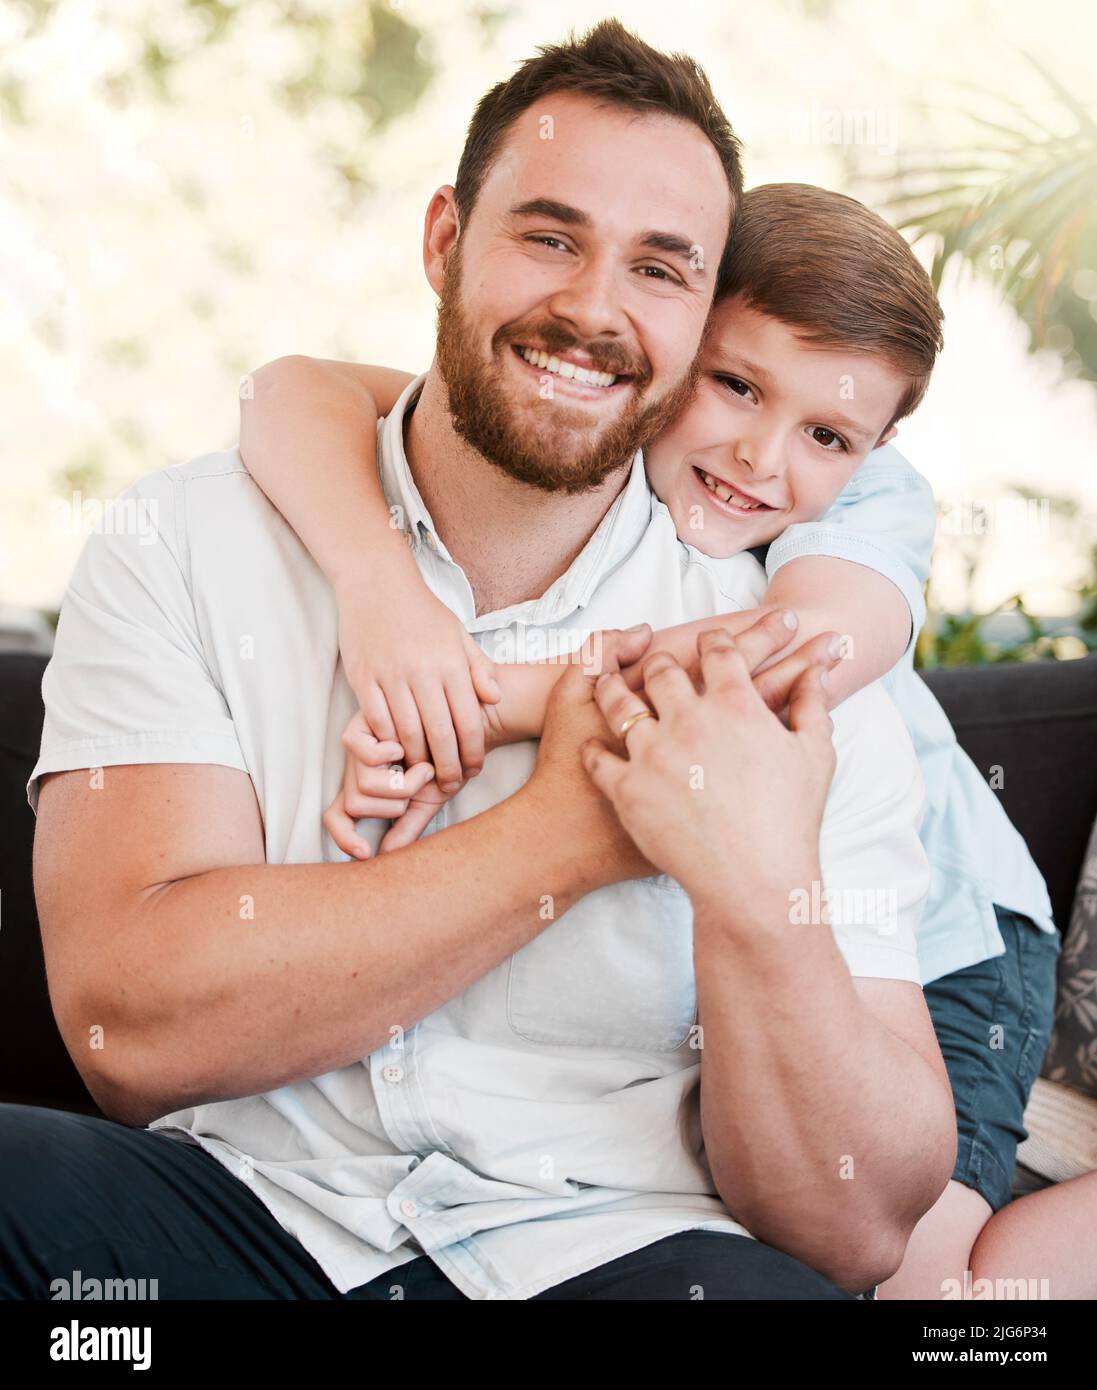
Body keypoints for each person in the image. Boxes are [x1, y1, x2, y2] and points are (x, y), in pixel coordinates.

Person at [9, 21, 952, 1301]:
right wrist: (570, 832)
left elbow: (857, 1226)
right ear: (444, 240)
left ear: (700, 318)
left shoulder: (777, 657)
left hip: (615, 1250)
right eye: (549, 237)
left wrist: (749, 886)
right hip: (236, 1225)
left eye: (660, 270)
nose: (592, 309)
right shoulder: (185, 543)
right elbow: (129, 1026)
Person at [236, 181, 1061, 1299]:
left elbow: (787, 653)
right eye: (730, 385)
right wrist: (380, 589)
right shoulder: (582, 420)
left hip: (944, 935)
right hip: (768, 929)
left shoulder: (869, 499)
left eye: (824, 434)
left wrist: (470, 699)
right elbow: (291, 389)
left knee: (915, 1283)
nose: (763, 460)